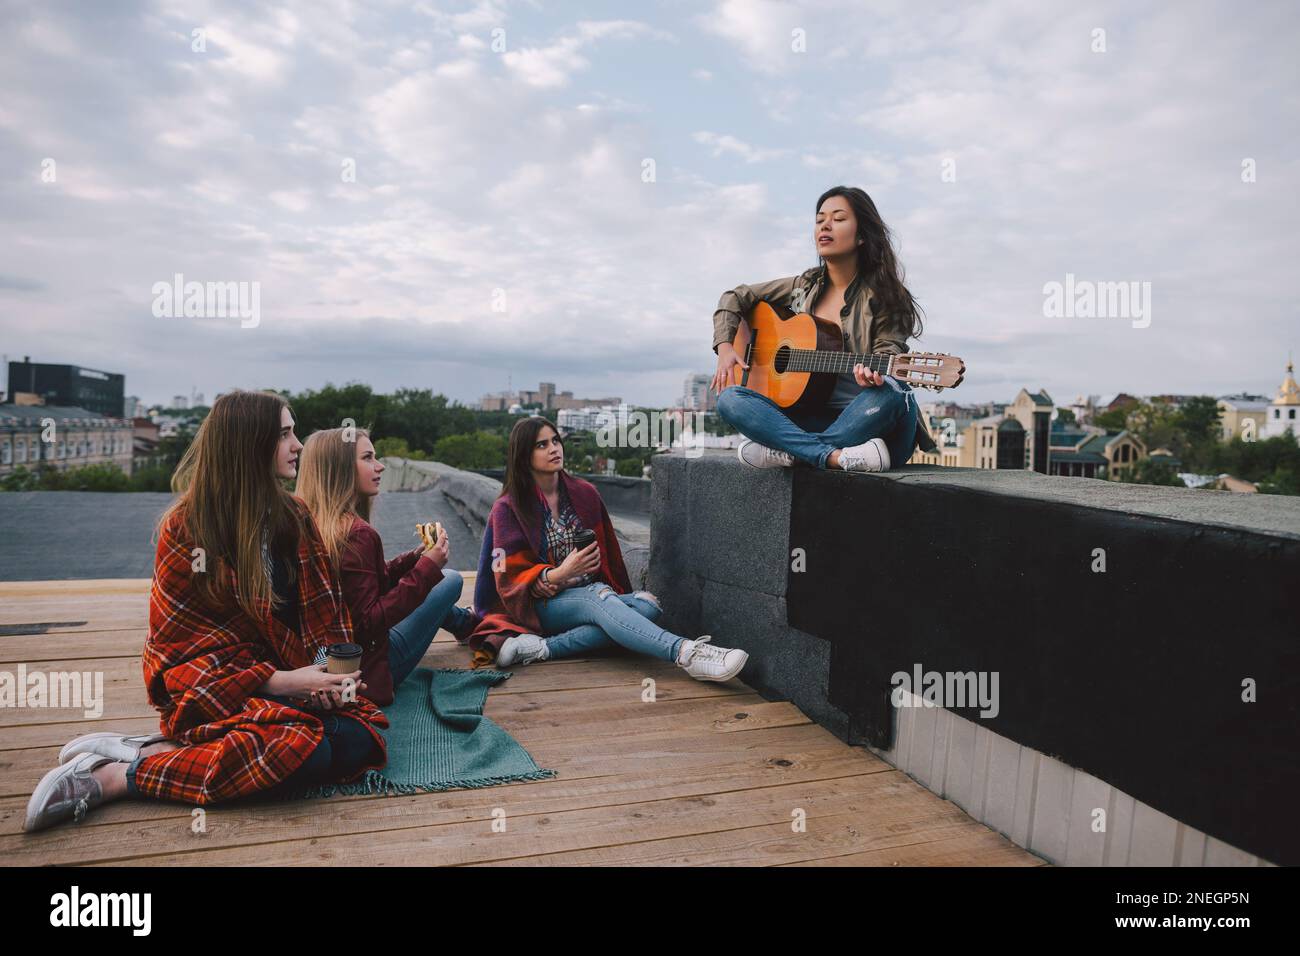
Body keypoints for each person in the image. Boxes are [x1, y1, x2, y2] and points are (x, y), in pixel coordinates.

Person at [24, 391, 388, 832]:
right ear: (246, 445)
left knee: (354, 741)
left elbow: (325, 615)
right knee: (305, 750)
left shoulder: (295, 515)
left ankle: (152, 751)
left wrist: (326, 675)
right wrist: (283, 681)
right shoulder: (187, 529)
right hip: (215, 694)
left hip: (292, 689)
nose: (298, 446)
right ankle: (119, 776)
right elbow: (179, 653)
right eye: (284, 435)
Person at [467, 417, 748, 682]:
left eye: (555, 440)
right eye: (542, 445)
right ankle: (687, 653)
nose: (554, 448)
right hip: (538, 605)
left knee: (646, 606)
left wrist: (589, 576)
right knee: (597, 597)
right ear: (523, 455)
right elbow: (506, 578)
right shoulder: (507, 508)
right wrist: (559, 574)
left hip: (588, 594)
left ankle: (541, 648)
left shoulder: (584, 493)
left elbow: (609, 555)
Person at [711, 185, 938, 472]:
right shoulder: (804, 287)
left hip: (871, 425)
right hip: (820, 420)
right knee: (730, 398)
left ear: (862, 236)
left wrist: (873, 375)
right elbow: (735, 296)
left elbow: (887, 353)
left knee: (894, 391)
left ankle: (791, 452)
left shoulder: (888, 297)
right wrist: (726, 347)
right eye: (820, 220)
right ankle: (834, 458)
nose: (825, 226)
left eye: (839, 218)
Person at [297, 426, 479, 705]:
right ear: (340, 468)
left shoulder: (309, 523)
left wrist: (413, 560)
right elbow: (369, 621)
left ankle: (465, 622)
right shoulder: (358, 534)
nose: (380, 466)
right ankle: (468, 623)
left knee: (433, 579)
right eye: (368, 458)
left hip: (330, 660)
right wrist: (427, 570)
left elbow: (365, 586)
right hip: (370, 671)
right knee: (450, 578)